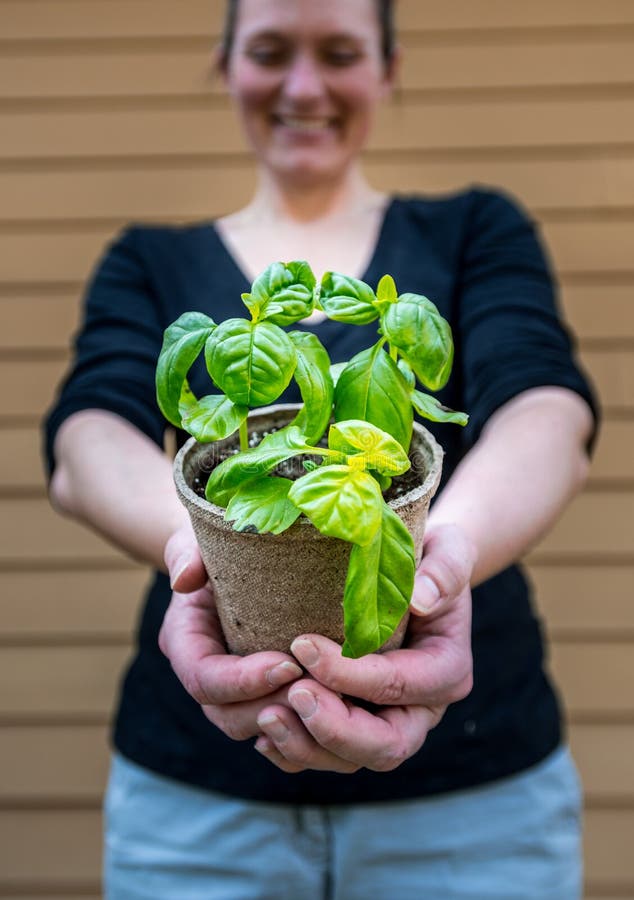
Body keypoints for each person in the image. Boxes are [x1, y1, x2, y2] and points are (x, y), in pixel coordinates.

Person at [44, 1, 598, 897]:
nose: (305, 86)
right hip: (199, 799)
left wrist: (440, 555)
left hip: (475, 790)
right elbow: (87, 438)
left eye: (340, 53)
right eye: (270, 52)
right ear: (226, 66)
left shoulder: (474, 228)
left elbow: (546, 410)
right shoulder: (149, 259)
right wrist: (201, 548)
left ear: (388, 69)